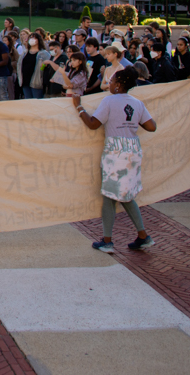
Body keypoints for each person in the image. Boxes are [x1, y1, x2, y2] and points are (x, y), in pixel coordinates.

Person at [75, 67, 157, 251]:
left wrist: (79, 107)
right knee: (126, 195)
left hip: (115, 151)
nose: (109, 84)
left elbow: (93, 124)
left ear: (119, 85)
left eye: (111, 82)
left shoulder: (110, 101)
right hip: (133, 149)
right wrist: (132, 122)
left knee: (110, 196)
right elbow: (151, 126)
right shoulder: (137, 103)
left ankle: (107, 240)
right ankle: (142, 235)